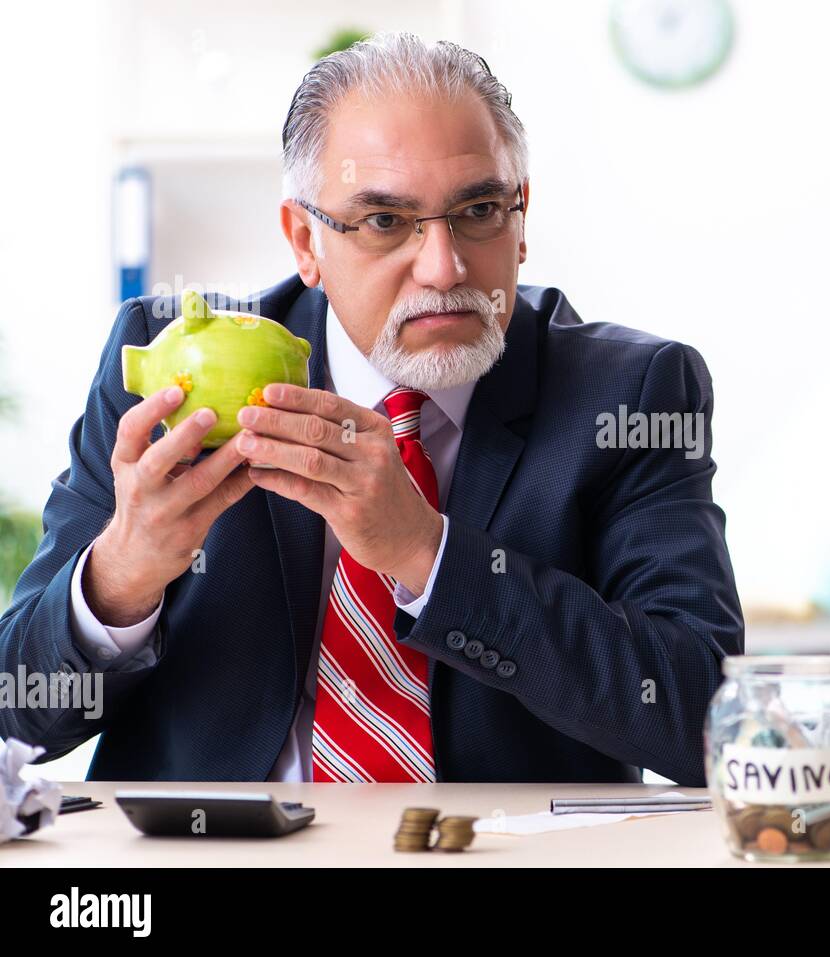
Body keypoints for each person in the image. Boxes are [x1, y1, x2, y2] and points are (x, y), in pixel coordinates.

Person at [0, 32, 742, 785]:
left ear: (521, 219)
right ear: (305, 239)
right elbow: (13, 712)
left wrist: (429, 552)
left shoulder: (631, 392)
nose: (443, 266)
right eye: (385, 221)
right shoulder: (163, 365)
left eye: (479, 209)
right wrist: (118, 581)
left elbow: (710, 722)